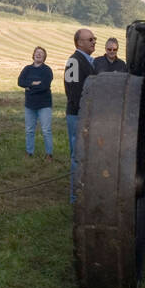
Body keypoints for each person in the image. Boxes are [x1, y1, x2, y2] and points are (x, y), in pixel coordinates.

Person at [64, 27, 97, 203]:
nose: (94, 42)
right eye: (90, 39)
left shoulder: (88, 61)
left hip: (84, 115)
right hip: (78, 115)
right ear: (79, 43)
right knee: (78, 156)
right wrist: (85, 113)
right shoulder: (74, 61)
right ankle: (75, 197)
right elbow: (73, 93)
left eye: (94, 39)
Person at [17, 47, 53, 158]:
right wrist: (34, 83)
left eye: (41, 54)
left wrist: (29, 86)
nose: (38, 55)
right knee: (29, 130)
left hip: (44, 105)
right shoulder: (27, 69)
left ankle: (49, 154)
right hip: (30, 105)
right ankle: (29, 152)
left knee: (46, 130)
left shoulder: (47, 70)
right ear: (33, 55)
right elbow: (20, 82)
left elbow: (44, 86)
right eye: (37, 53)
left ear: (44, 57)